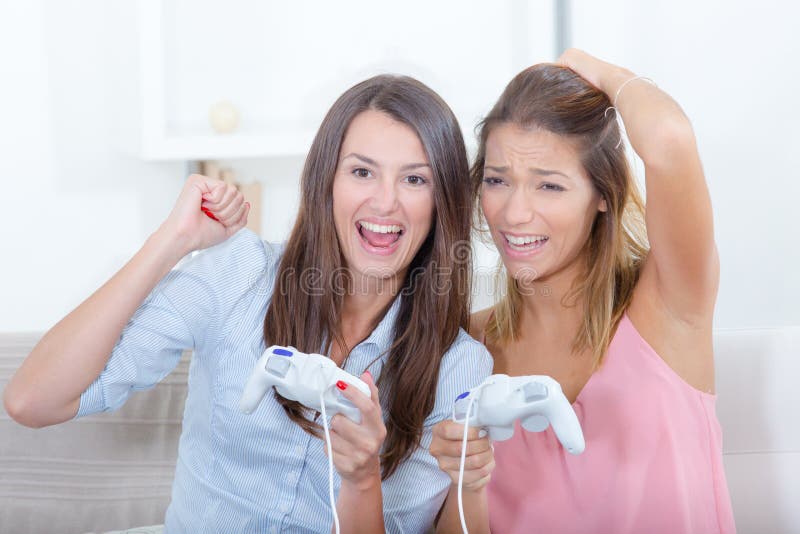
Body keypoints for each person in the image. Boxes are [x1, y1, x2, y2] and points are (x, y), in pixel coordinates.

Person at [4, 74, 492, 533]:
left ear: (442, 201)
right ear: (326, 181)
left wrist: (362, 479)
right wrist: (172, 241)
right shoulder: (237, 274)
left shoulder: (458, 369)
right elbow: (31, 401)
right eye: (362, 171)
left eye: (414, 179)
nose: (385, 202)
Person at [430, 49, 735, 533]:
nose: (514, 213)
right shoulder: (469, 348)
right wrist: (466, 483)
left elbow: (669, 138)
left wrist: (604, 74)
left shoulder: (670, 304)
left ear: (601, 196)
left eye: (548, 186)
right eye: (497, 180)